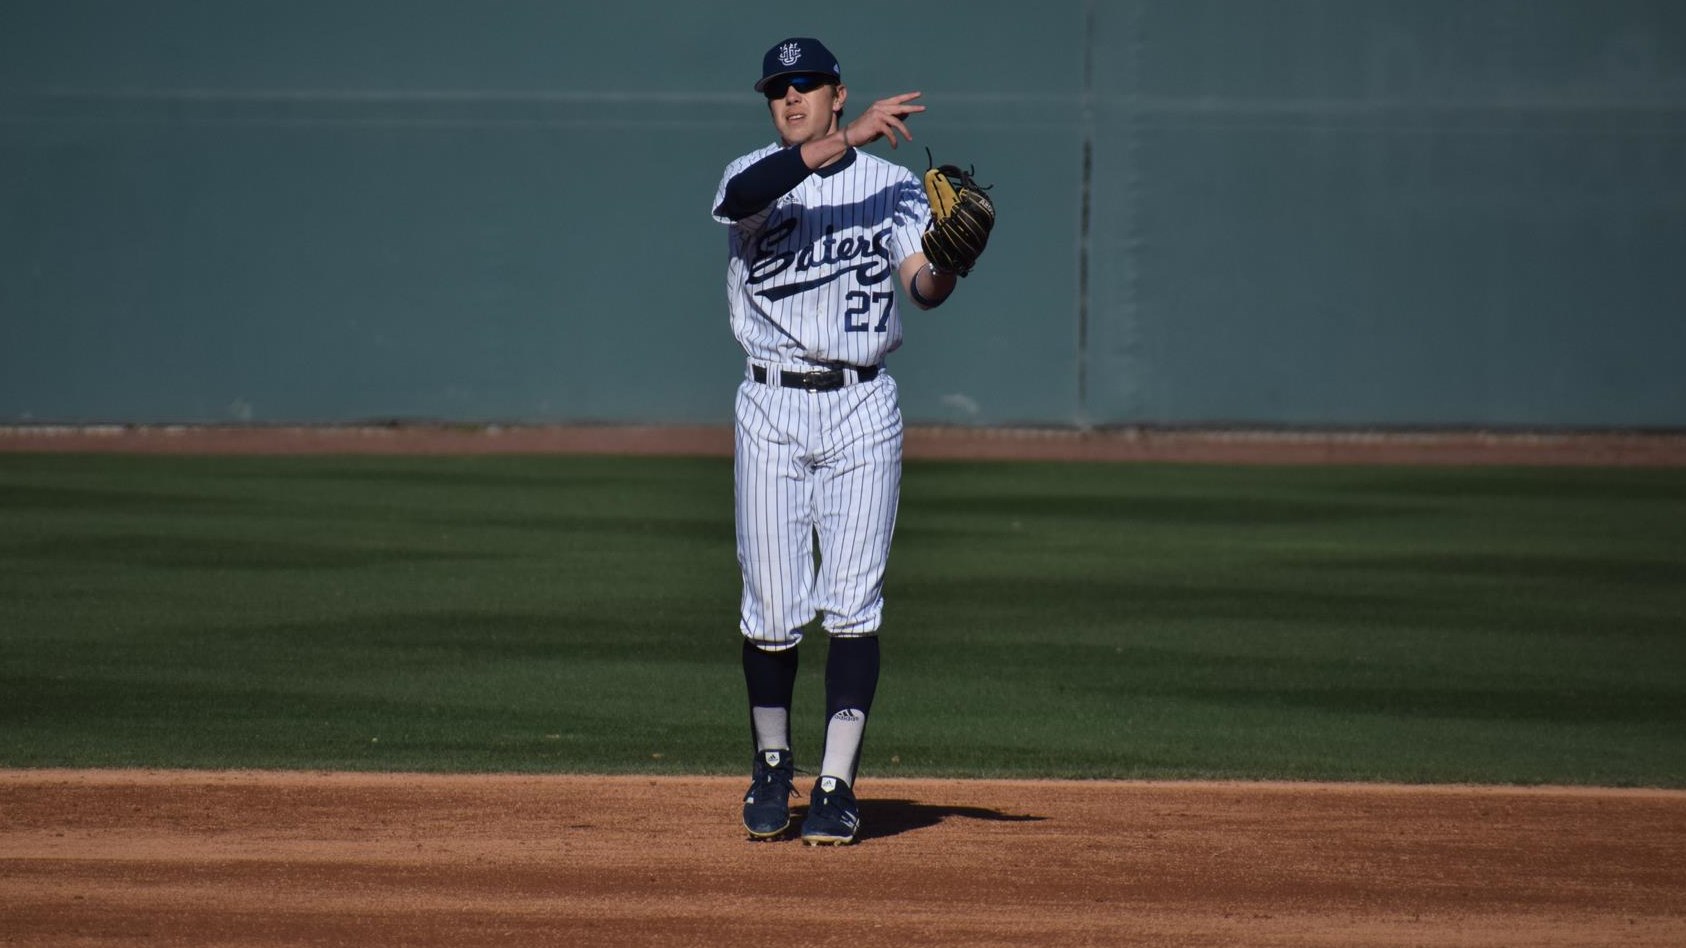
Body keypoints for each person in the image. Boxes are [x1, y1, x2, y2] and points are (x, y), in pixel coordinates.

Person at [711, 36, 960, 845]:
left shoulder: (892, 190)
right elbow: (751, 191)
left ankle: (836, 782)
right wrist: (846, 140)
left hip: (861, 406)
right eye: (779, 88)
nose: (790, 98)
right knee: (773, 610)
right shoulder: (751, 175)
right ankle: (773, 767)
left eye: (806, 85)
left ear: (837, 92)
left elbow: (922, 289)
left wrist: (951, 263)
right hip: (771, 404)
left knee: (853, 606)